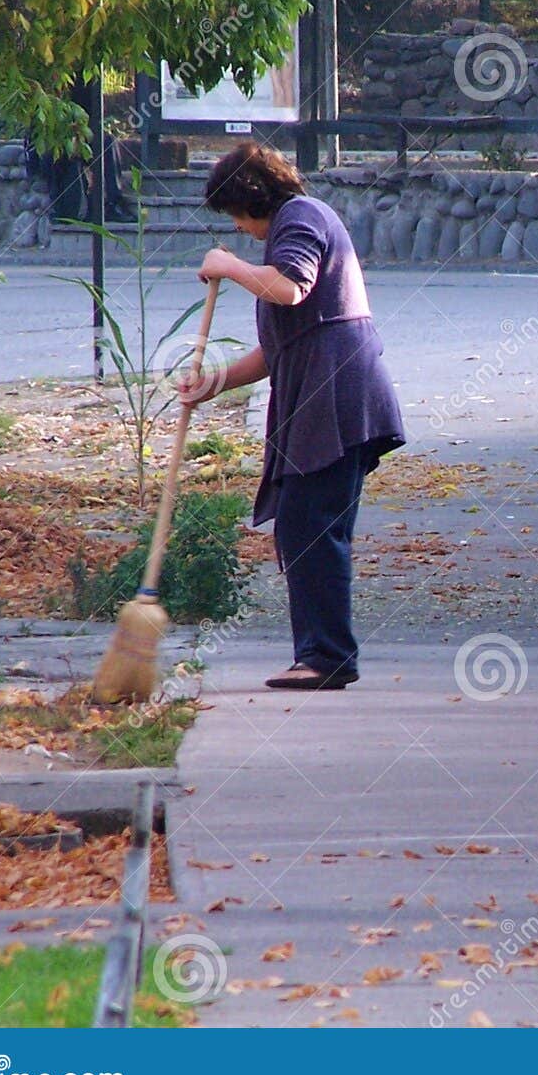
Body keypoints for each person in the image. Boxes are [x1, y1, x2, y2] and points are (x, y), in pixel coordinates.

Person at [177, 142, 405, 690]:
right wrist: (213, 384)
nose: (239, 228)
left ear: (254, 198)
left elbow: (292, 289)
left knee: (311, 524)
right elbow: (279, 348)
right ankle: (323, 654)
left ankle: (327, 657)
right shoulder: (294, 224)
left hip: (335, 393)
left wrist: (231, 267)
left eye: (236, 214)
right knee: (306, 523)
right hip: (318, 389)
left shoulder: (300, 217)